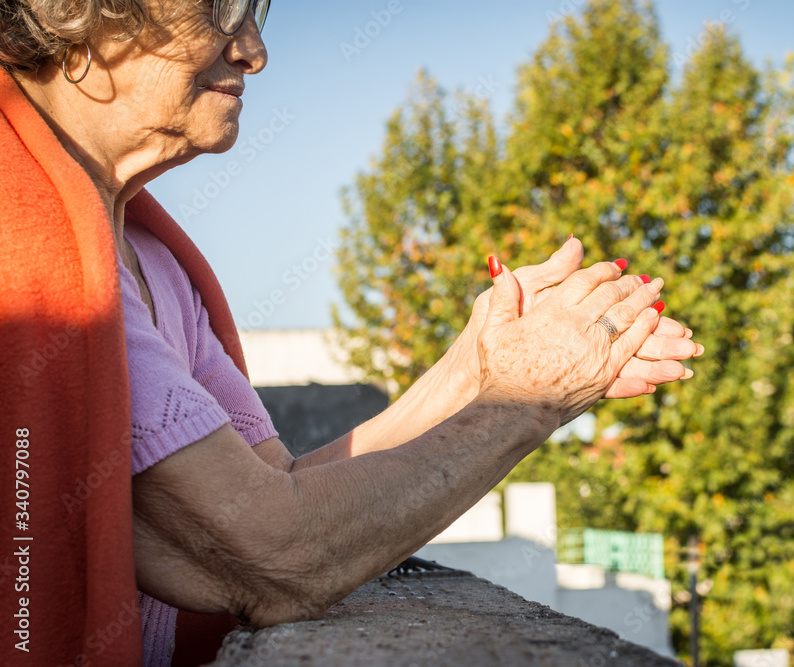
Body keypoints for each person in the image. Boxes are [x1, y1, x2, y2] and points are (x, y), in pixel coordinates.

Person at [0, 1, 703, 665]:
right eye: (216, 11)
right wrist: (531, 398)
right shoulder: (21, 243)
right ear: (80, 21)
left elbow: (273, 487)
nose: (252, 51)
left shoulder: (140, 254)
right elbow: (276, 556)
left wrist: (476, 370)